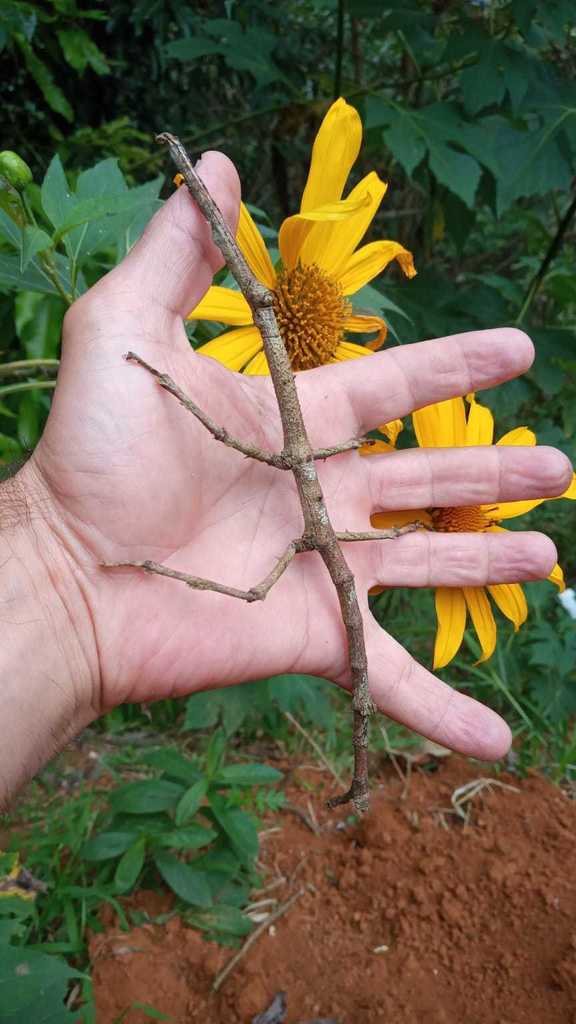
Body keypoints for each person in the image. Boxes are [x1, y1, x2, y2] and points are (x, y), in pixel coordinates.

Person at [0, 152, 571, 810]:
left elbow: (230, 435)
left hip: (320, 536)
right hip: (302, 528)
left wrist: (64, 565)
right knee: (250, 571)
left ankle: (359, 774)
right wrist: (59, 558)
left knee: (251, 582)